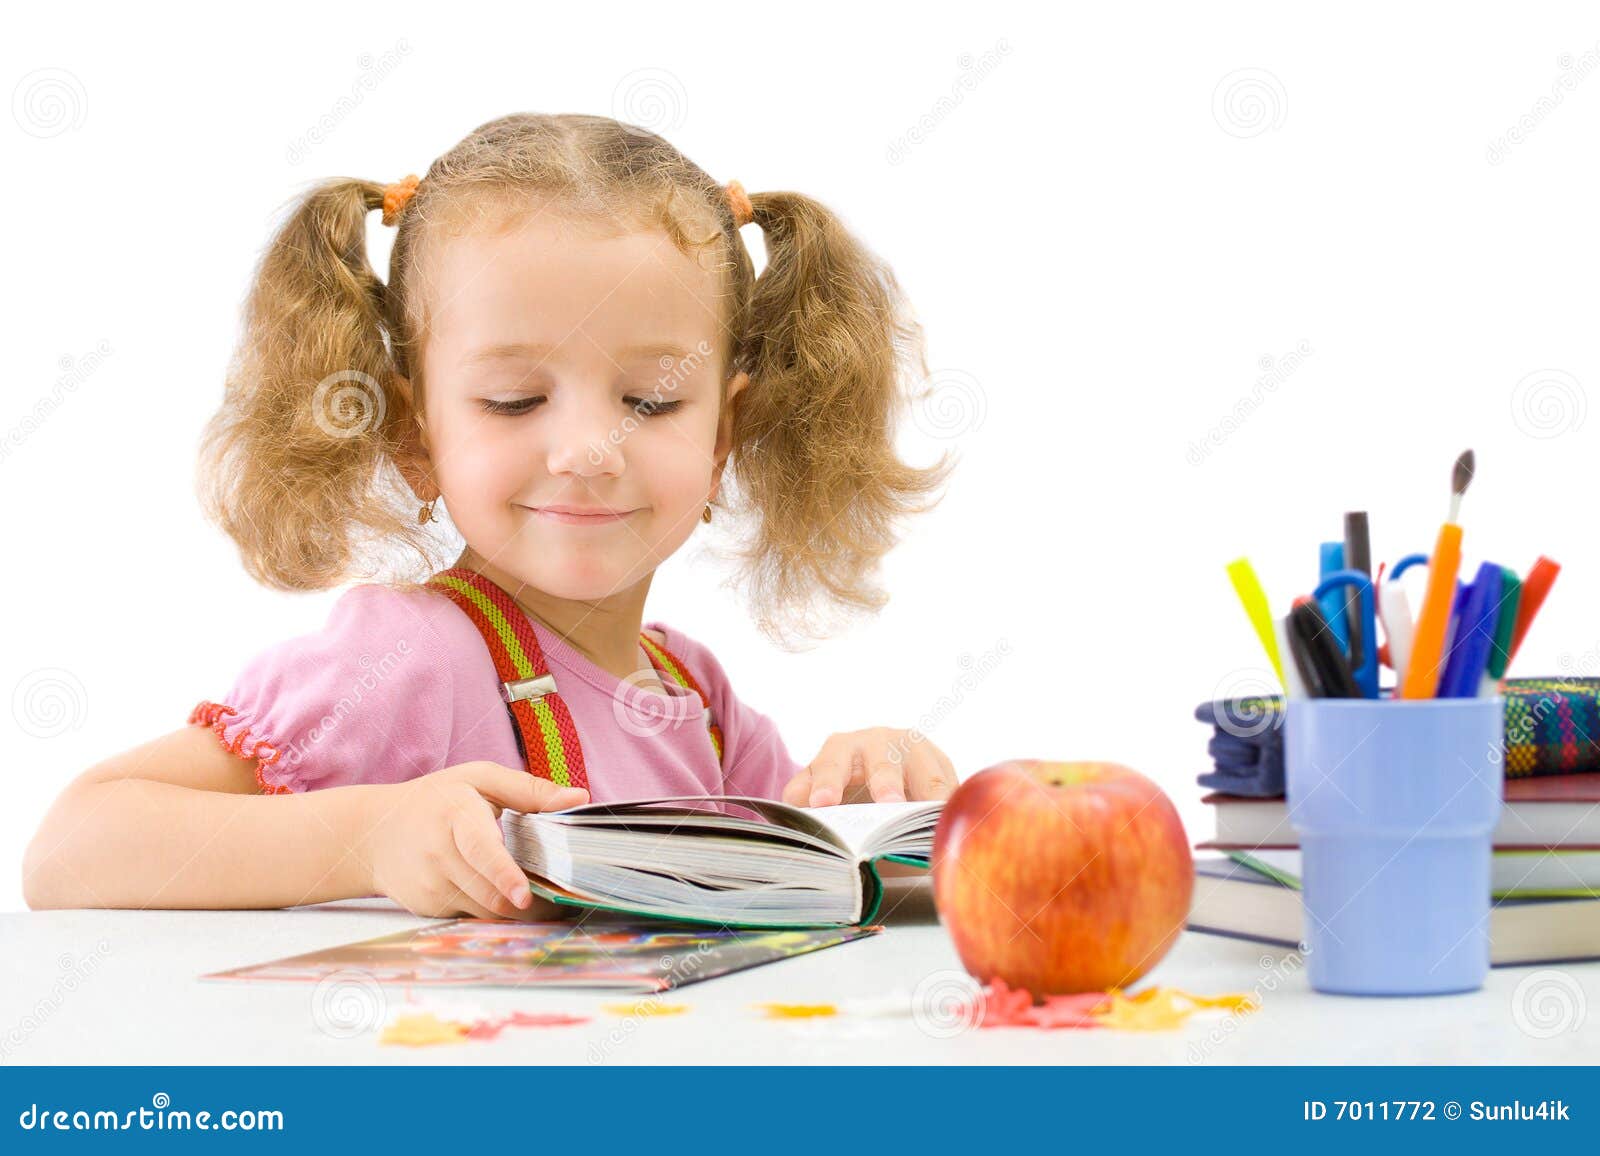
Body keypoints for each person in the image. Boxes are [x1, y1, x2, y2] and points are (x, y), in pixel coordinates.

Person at [24, 112, 956, 920]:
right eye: (513, 400)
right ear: (414, 435)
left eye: (652, 401)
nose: (588, 449)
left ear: (725, 437)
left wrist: (861, 792)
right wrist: (369, 835)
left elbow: (805, 891)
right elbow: (73, 848)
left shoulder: (700, 705)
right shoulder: (409, 660)